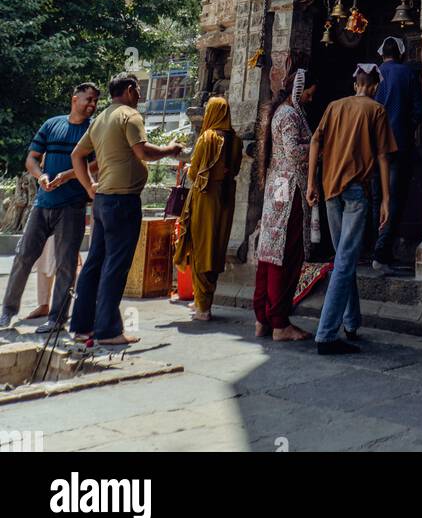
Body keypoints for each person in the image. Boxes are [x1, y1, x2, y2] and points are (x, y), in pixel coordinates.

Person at [69, 73, 184, 346]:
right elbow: (143, 152)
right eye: (139, 91)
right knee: (115, 265)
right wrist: (170, 149)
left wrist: (89, 187)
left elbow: (77, 155)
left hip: (103, 200)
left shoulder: (101, 119)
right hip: (122, 201)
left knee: (95, 262)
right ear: (131, 90)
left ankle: (83, 325)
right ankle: (108, 330)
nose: (140, 96)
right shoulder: (129, 116)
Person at [307, 63, 397, 355]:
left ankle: (351, 320)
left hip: (330, 188)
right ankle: (326, 334)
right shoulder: (376, 110)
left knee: (343, 256)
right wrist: (386, 197)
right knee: (345, 260)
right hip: (357, 191)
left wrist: (312, 183)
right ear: (374, 86)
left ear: (356, 83)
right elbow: (383, 157)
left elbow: (315, 141)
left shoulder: (334, 106)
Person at [0, 83, 100, 332]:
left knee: (66, 264)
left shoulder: (94, 130)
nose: (92, 105)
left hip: (72, 205)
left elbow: (97, 164)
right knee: (23, 257)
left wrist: (67, 175)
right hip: (42, 203)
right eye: (88, 99)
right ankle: (7, 311)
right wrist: (40, 176)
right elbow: (31, 159)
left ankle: (57, 319)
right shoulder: (51, 124)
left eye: (95, 101)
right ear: (74, 99)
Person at [254, 68, 317, 342]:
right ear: (300, 89)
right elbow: (293, 153)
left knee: (270, 253)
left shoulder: (282, 113)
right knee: (285, 254)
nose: (312, 98)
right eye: (310, 92)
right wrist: (318, 146)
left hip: (277, 189)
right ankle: (279, 323)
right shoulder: (289, 115)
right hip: (288, 190)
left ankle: (263, 318)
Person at [173, 96, 243, 322]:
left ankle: (203, 307)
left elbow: (194, 174)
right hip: (225, 200)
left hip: (205, 198)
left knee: (201, 247)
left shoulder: (208, 138)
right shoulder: (236, 141)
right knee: (215, 249)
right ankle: (204, 300)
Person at [371, 36, 422, 271]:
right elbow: (418, 109)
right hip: (398, 143)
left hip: (373, 145)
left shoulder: (374, 74)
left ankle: (376, 246)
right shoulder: (407, 73)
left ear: (382, 54)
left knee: (376, 196)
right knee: (392, 197)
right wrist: (407, 128)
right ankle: (381, 252)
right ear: (401, 54)